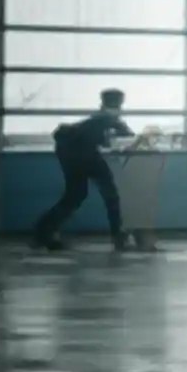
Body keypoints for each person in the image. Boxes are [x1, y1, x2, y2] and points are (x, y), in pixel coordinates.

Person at [32, 88, 134, 252]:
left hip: (71, 156)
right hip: (85, 156)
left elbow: (107, 138)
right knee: (110, 194)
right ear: (119, 103)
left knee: (75, 196)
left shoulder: (99, 117)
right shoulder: (106, 118)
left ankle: (43, 232)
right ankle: (118, 235)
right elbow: (124, 135)